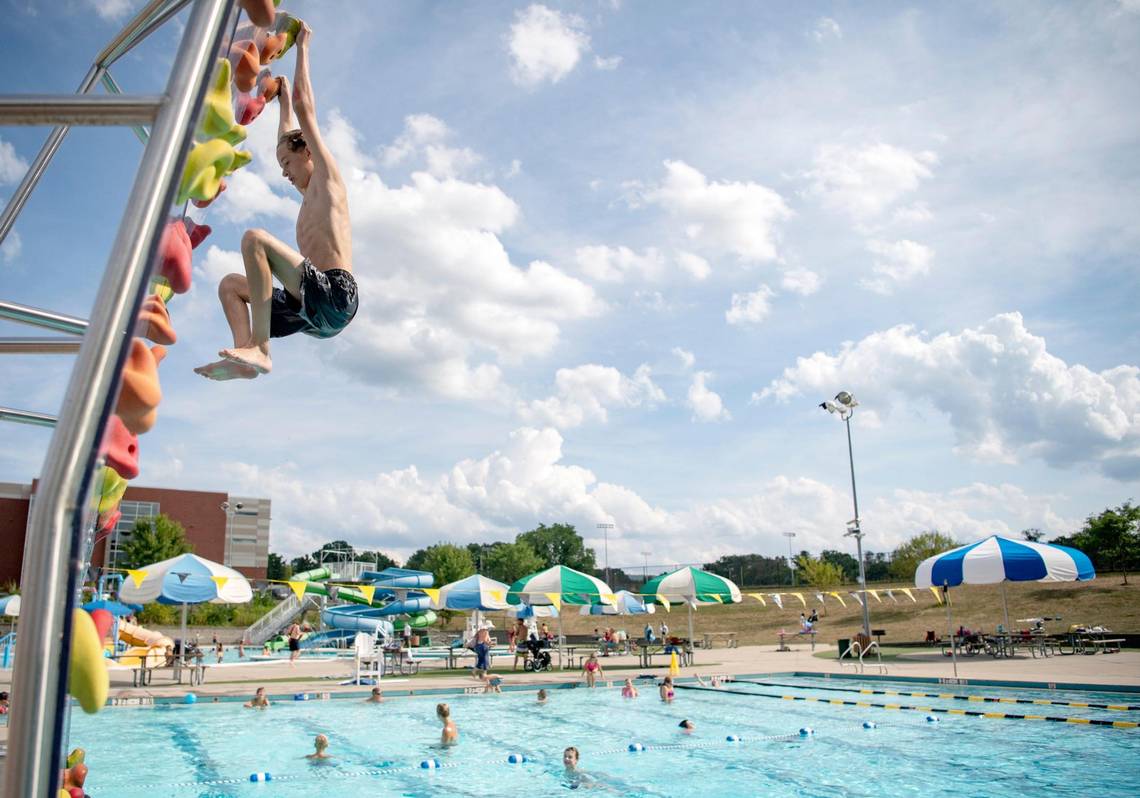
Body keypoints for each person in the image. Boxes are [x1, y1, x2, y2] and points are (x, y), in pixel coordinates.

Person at [195, 21, 357, 381]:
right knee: (230, 286)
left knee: (254, 238)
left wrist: (302, 48)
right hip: (310, 309)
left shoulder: (328, 179)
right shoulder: (308, 195)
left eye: (287, 163)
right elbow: (288, 135)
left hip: (334, 294)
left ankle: (261, 348)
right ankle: (246, 356)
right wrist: (282, 100)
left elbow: (305, 111)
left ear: (310, 152)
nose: (283, 172)